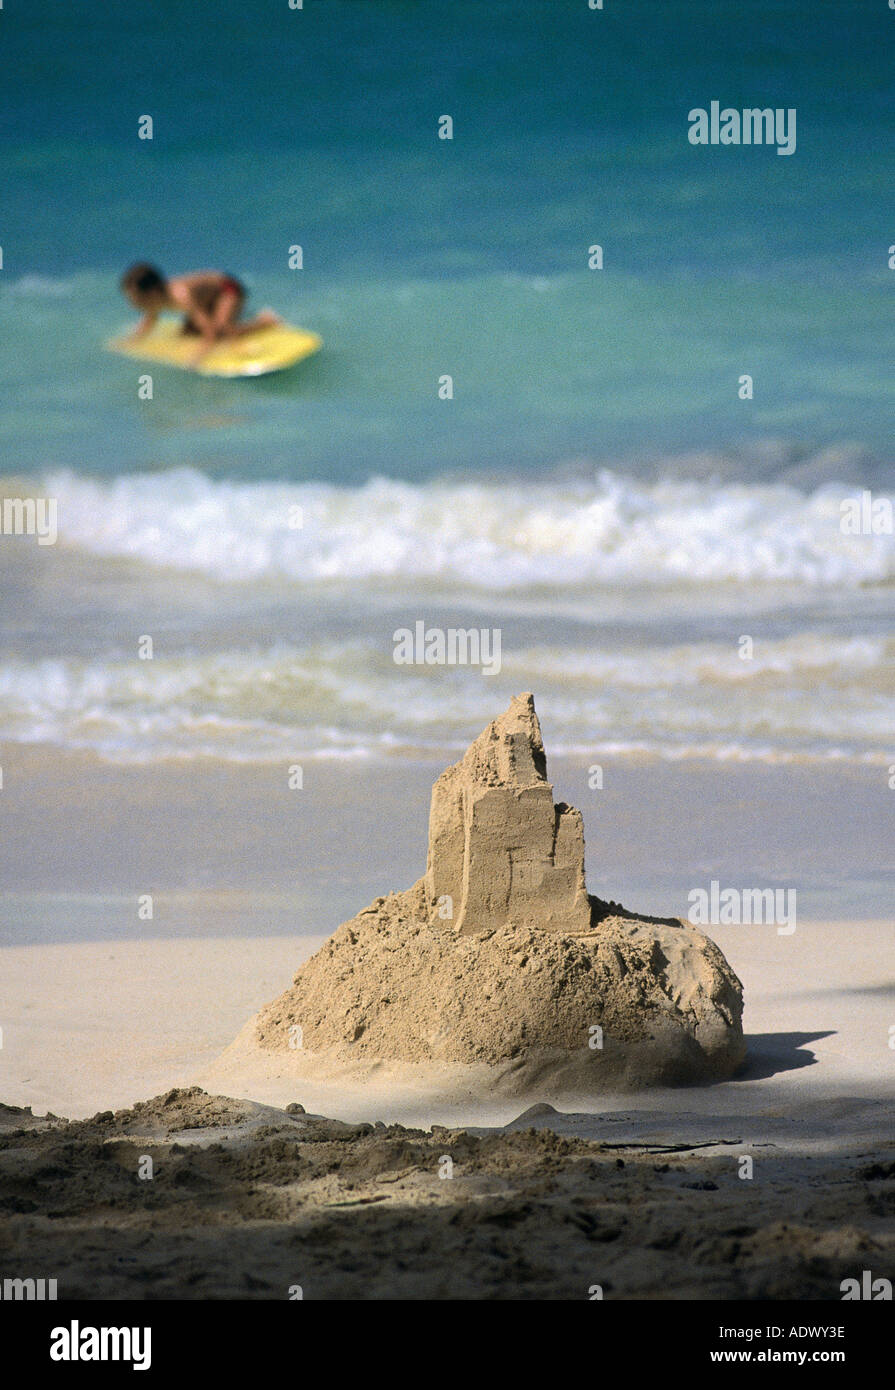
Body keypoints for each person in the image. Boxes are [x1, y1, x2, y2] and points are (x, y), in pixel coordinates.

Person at [120, 263, 279, 361]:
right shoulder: (155, 300)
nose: (132, 304)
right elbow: (150, 320)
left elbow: (209, 331)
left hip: (227, 288)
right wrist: (131, 341)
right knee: (187, 333)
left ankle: (266, 321)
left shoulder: (181, 296)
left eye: (136, 299)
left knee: (222, 330)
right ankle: (226, 314)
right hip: (207, 298)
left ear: (152, 292)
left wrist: (199, 357)